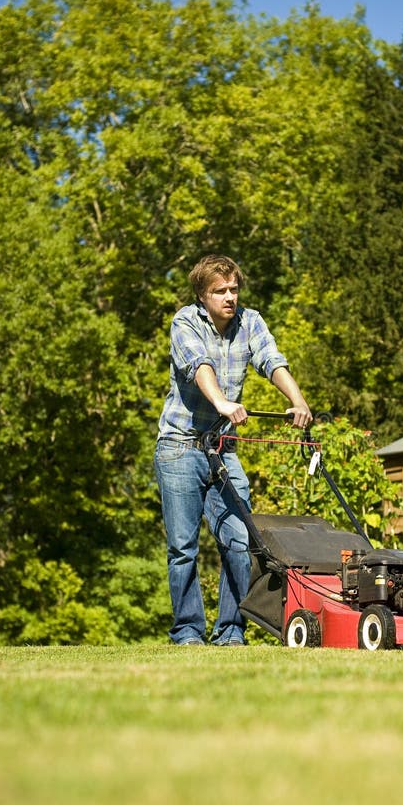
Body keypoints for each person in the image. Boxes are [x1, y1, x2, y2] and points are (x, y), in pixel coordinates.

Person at [154, 254, 312, 646]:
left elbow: (270, 360)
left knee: (241, 541)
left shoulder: (251, 322)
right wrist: (223, 403)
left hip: (222, 451)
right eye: (220, 291)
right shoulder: (185, 322)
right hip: (180, 448)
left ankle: (230, 632)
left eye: (234, 289)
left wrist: (299, 401)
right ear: (202, 295)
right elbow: (198, 364)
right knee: (183, 548)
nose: (229, 297)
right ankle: (188, 632)